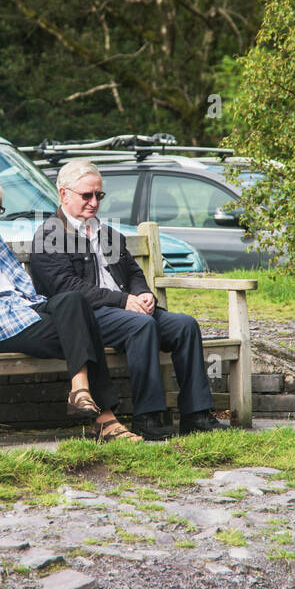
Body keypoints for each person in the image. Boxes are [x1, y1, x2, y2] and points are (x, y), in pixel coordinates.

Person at [0, 176, 142, 442]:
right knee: (84, 329)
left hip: (27, 310)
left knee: (73, 300)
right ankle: (105, 418)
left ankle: (80, 388)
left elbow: (24, 288)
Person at [29, 159, 229, 440]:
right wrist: (123, 301)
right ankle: (148, 417)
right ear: (64, 194)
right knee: (140, 326)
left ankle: (196, 414)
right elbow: (66, 287)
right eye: (86, 195)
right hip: (87, 317)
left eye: (99, 195)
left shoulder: (107, 233)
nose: (94, 202)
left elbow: (133, 272)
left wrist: (143, 293)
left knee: (184, 325)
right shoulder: (50, 236)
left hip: (127, 307)